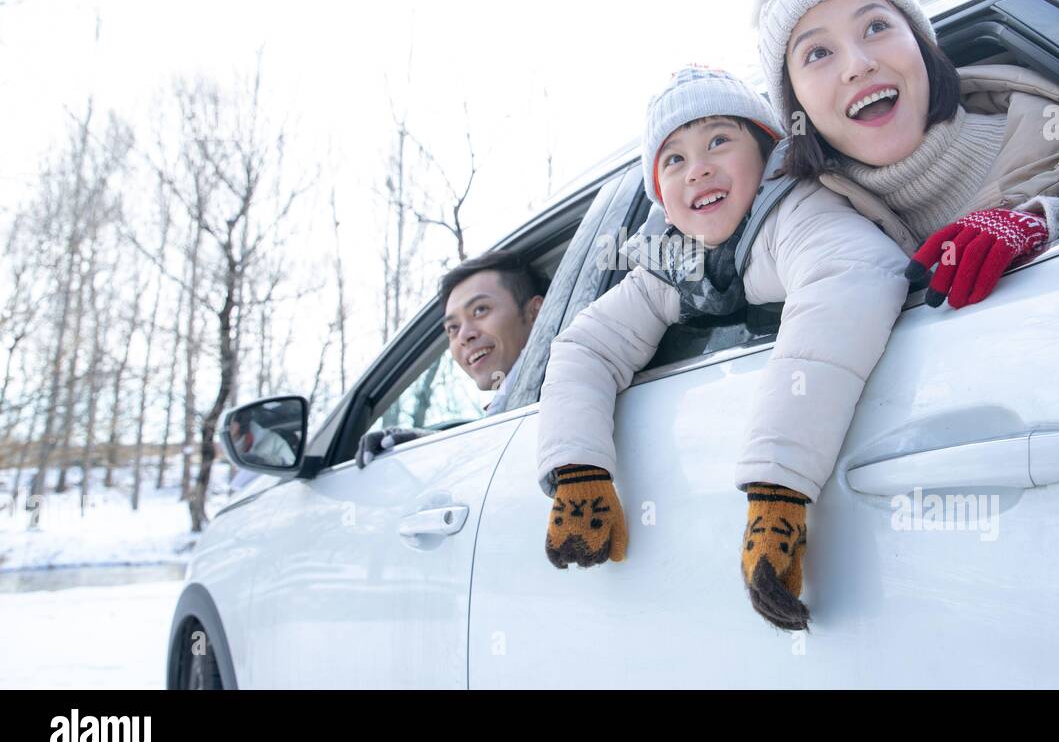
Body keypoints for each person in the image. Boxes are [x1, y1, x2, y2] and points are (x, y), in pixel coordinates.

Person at [537, 65, 909, 631]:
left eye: (718, 140)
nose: (699, 168)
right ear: (660, 196)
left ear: (767, 153)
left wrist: (777, 490)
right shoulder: (668, 265)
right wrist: (579, 469)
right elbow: (583, 348)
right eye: (674, 160)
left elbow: (846, 286)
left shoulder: (800, 212)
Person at [757, 0, 1059, 308]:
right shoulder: (815, 238)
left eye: (876, 27)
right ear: (795, 103)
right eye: (817, 53)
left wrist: (1052, 220)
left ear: (921, 44)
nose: (859, 65)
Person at [356, 250, 548, 467]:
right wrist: (426, 443)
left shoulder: (560, 393)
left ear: (536, 312)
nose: (464, 336)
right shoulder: (516, 408)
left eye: (480, 310)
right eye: (452, 328)